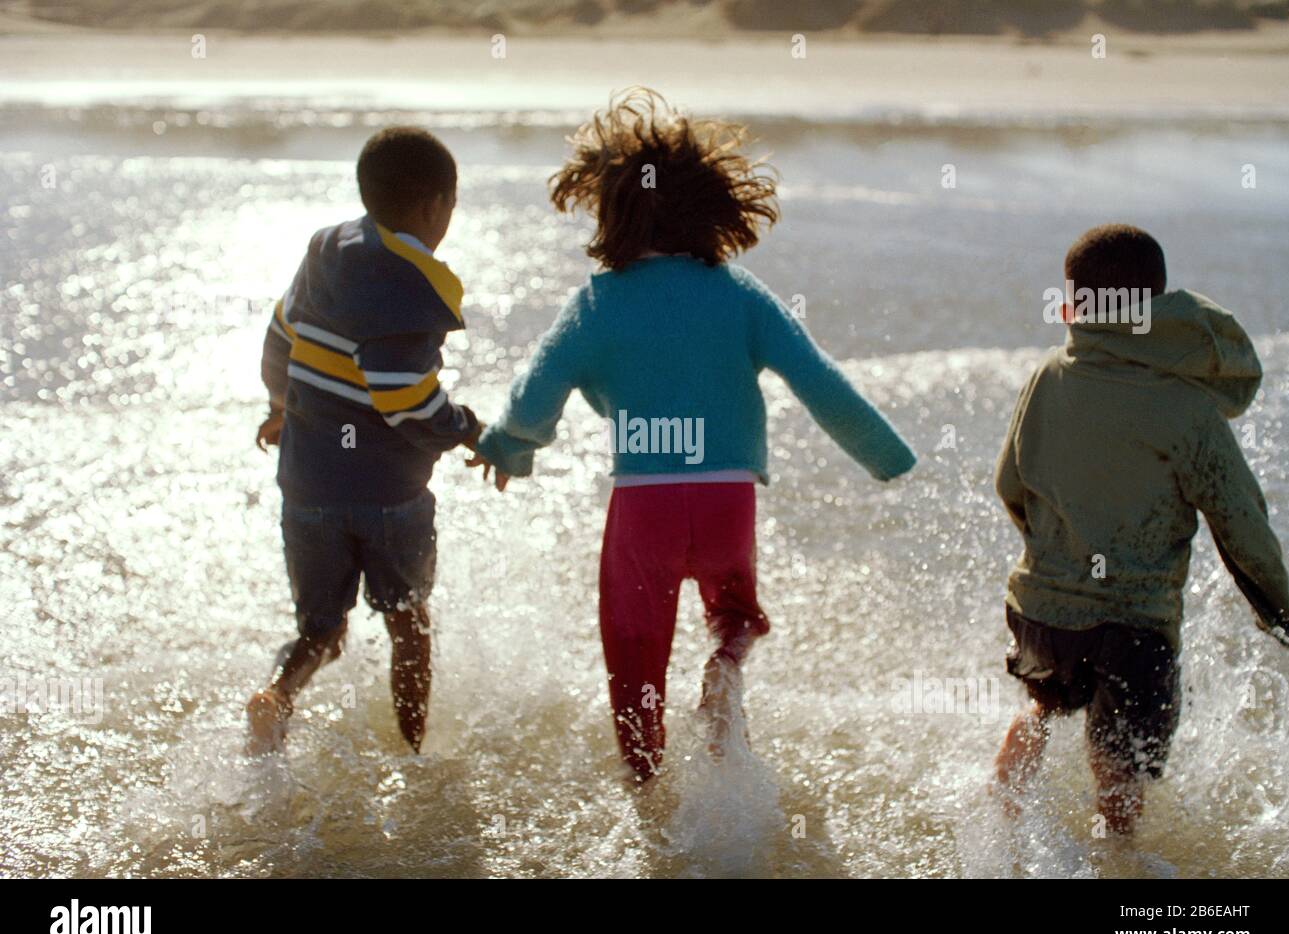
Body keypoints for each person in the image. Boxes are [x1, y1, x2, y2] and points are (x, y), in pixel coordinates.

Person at [471, 89, 917, 781]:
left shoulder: (596, 303)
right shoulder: (739, 294)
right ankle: (723, 667)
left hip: (643, 509)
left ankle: (647, 790)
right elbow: (821, 381)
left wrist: (509, 447)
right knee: (736, 614)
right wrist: (885, 455)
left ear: (613, 212)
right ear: (711, 208)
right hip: (725, 505)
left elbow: (535, 394)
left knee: (634, 655)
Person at [993, 223, 1289, 832]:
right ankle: (1119, 864)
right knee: (1120, 766)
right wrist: (1280, 612)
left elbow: (1010, 483)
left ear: (1073, 305)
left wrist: (1055, 556)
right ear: (1157, 310)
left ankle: (995, 827)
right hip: (1133, 628)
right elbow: (1240, 521)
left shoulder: (1046, 376)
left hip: (1041, 613)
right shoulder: (1186, 407)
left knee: (1041, 706)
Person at [246, 126, 480, 755]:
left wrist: (279, 406)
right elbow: (404, 398)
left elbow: (279, 333)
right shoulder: (411, 289)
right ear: (435, 206)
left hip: (308, 489)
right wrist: (465, 428)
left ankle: (276, 694)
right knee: (408, 623)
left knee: (321, 632)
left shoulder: (326, 251)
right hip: (388, 496)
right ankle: (413, 751)